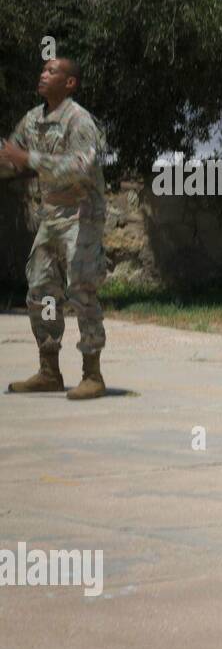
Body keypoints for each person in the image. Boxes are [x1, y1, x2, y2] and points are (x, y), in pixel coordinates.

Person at [4, 57, 111, 399]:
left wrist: (29, 160)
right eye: (43, 69)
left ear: (70, 83)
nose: (43, 74)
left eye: (53, 71)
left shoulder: (80, 121)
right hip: (51, 217)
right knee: (42, 288)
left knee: (81, 288)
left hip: (82, 216)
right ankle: (49, 369)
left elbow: (80, 167)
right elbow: (11, 158)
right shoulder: (33, 120)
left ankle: (92, 374)